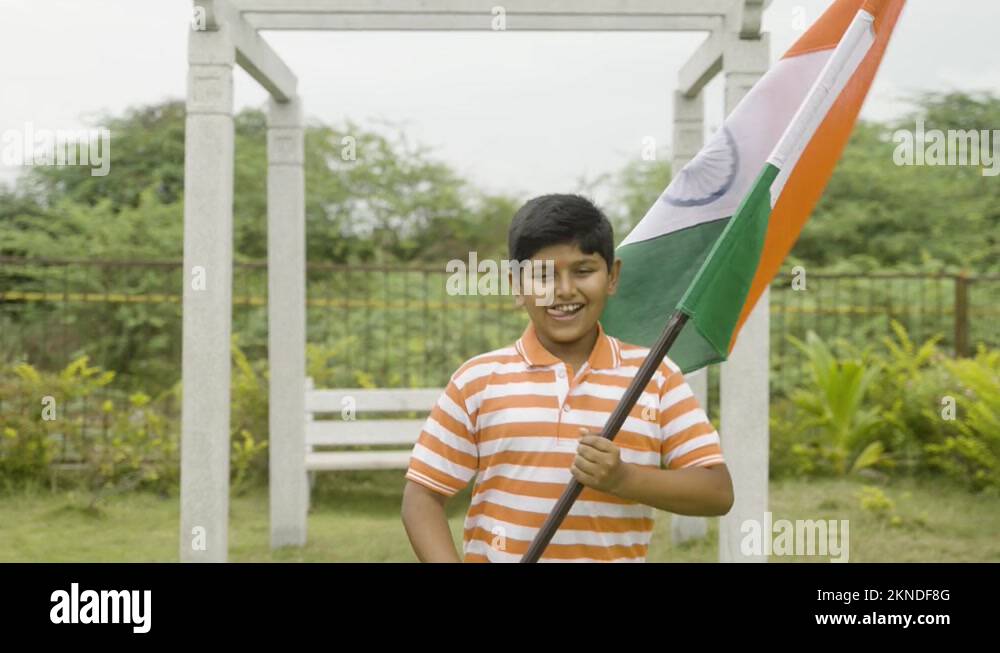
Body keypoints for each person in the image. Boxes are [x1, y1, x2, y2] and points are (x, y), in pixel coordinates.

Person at [401, 193, 733, 562]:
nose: (564, 290)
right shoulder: (477, 380)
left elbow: (716, 491)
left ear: (612, 277)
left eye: (583, 271)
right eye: (543, 275)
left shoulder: (655, 376)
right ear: (516, 285)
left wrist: (624, 479)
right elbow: (422, 496)